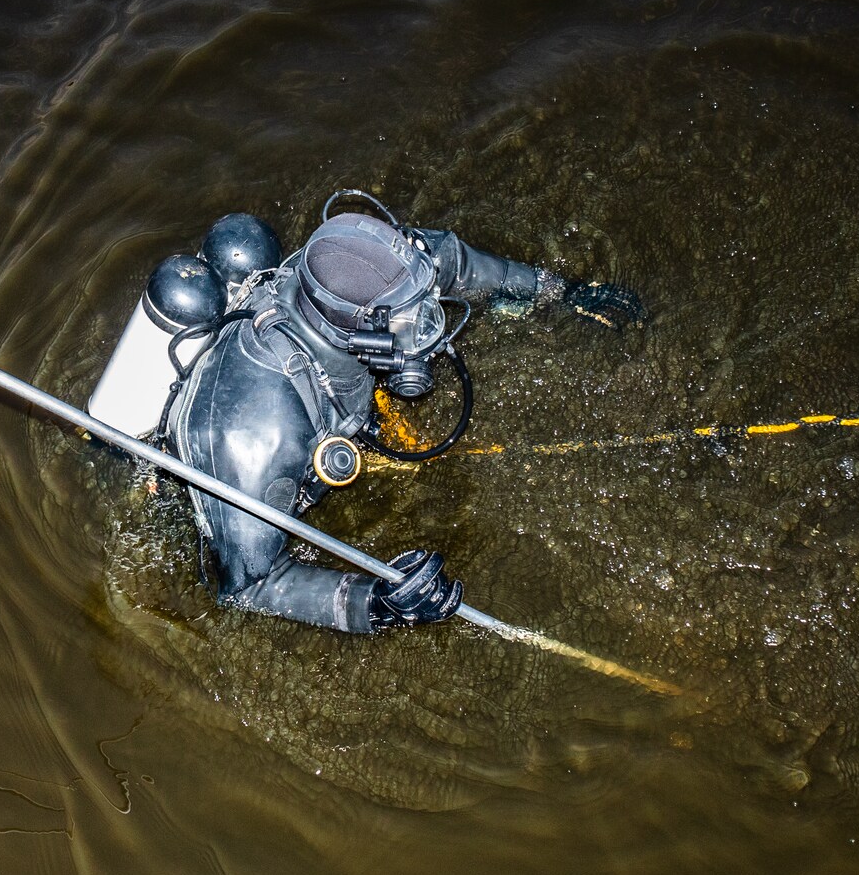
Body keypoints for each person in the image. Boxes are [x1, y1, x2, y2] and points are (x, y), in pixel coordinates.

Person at [162, 192, 645, 633]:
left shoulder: (385, 271)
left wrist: (558, 292)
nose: (429, 330)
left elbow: (449, 262)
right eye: (411, 322)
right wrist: (379, 603)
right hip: (243, 469)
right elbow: (246, 586)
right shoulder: (250, 435)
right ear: (361, 330)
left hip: (331, 397)